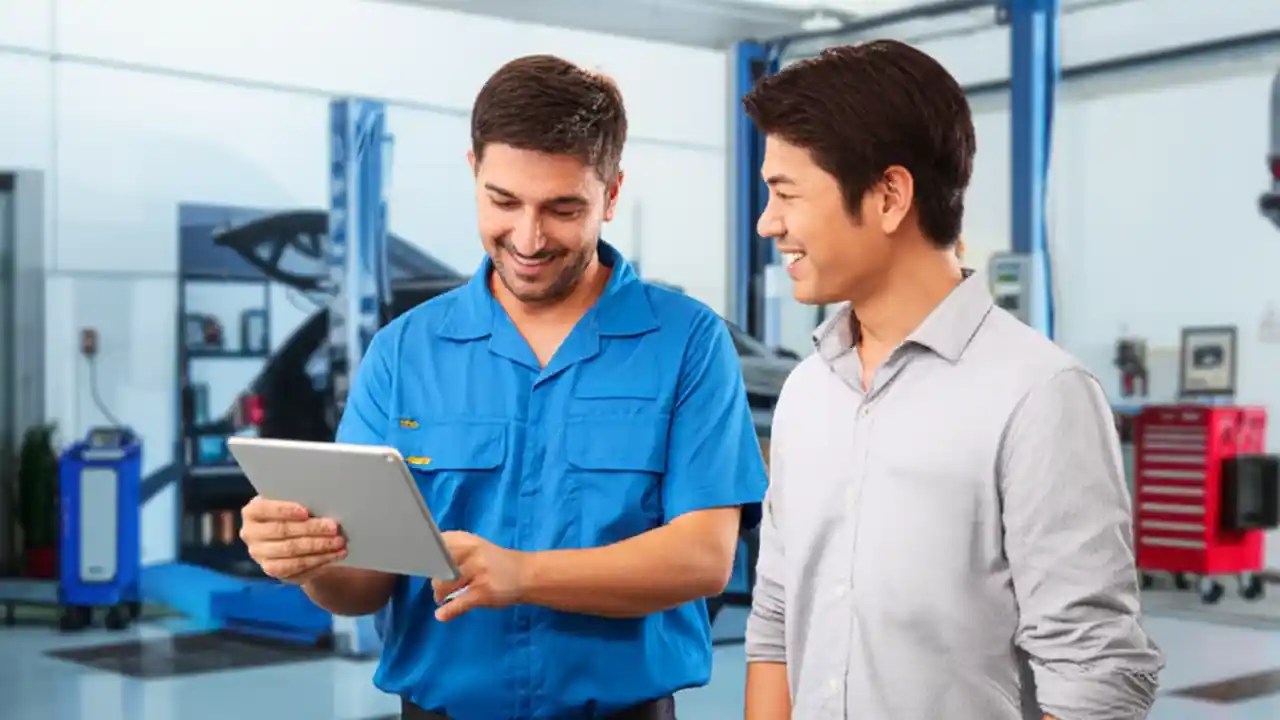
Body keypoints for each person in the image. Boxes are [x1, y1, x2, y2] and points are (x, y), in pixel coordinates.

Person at [238, 54, 768, 720]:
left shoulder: (688, 342)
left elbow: (703, 558)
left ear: (612, 193)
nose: (528, 237)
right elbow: (362, 585)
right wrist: (308, 558)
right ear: (474, 172)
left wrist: (524, 575)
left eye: (563, 208)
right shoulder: (404, 352)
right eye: (503, 201)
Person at [740, 40, 1164, 720]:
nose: (768, 222)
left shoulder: (1039, 395)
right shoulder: (807, 393)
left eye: (785, 192)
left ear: (889, 196)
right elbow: (777, 616)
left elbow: (1092, 675)